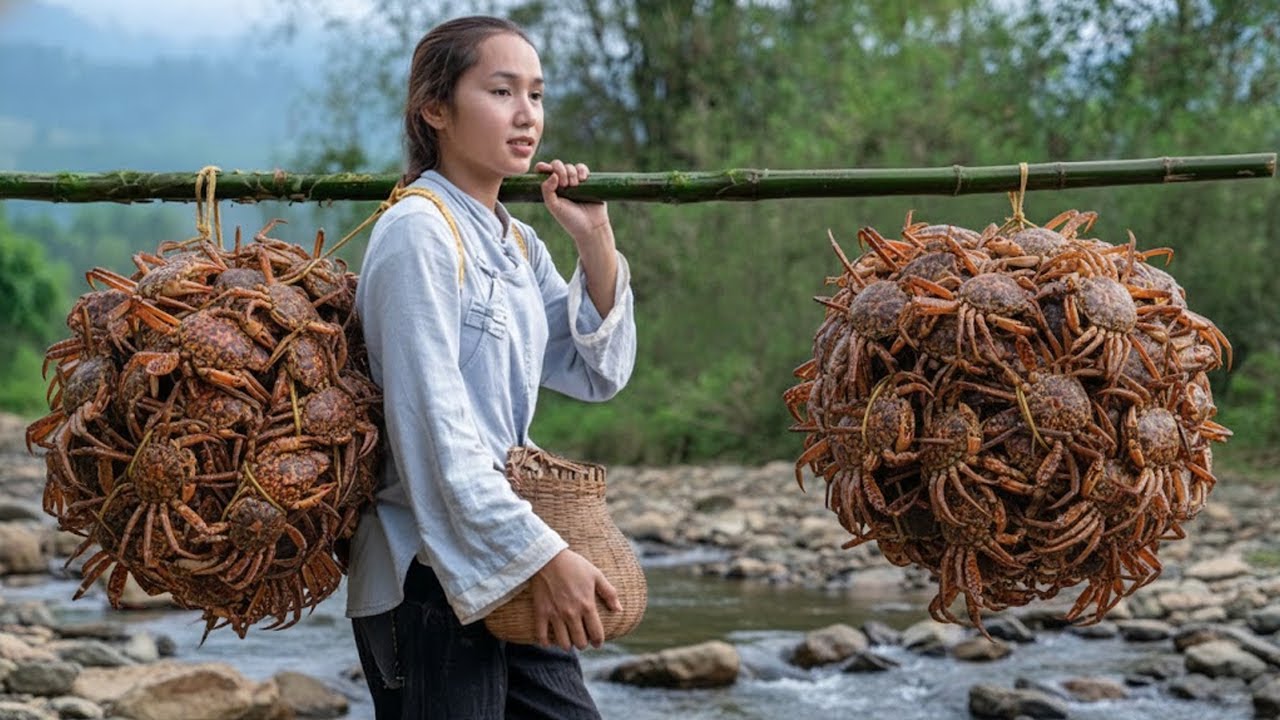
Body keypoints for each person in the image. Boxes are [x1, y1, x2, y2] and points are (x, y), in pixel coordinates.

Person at [345, 15, 637, 720]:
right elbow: (434, 432)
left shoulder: (517, 240)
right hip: (427, 572)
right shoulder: (417, 232)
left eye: (536, 95)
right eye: (502, 91)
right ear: (435, 109)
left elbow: (590, 371)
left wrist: (594, 239)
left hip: (508, 550)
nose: (526, 114)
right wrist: (547, 556)